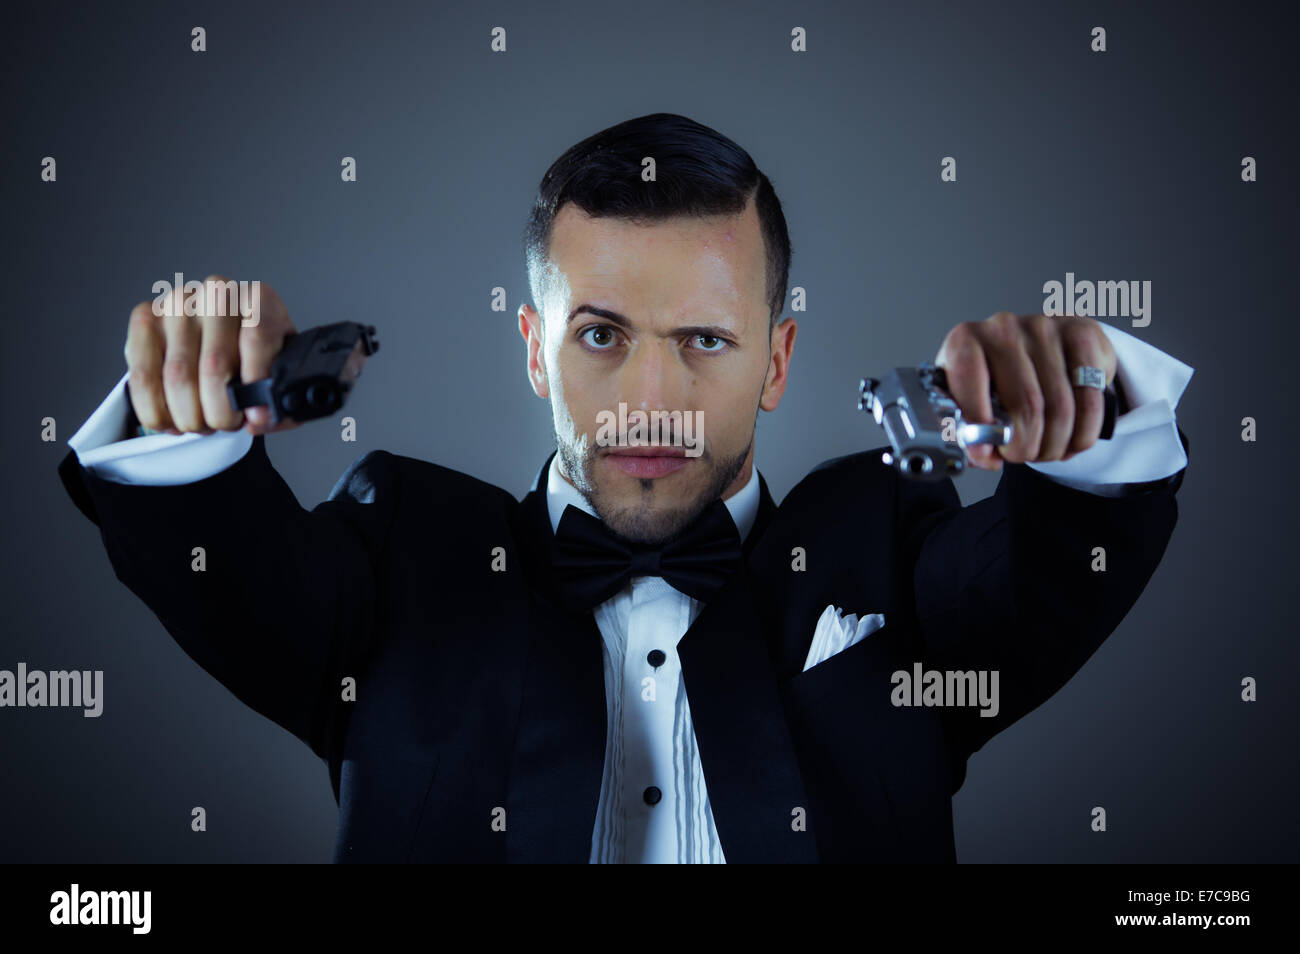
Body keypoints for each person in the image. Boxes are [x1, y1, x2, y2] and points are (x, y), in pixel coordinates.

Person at [57, 112, 1192, 863]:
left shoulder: (884, 550)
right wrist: (185, 406)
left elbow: (1049, 572)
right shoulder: (401, 560)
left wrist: (1080, 401)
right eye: (599, 333)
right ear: (534, 350)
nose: (651, 397)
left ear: (778, 361)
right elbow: (227, 569)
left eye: (703, 339)